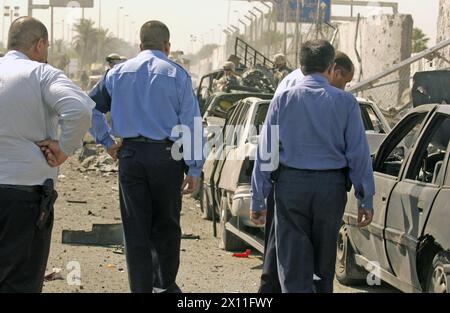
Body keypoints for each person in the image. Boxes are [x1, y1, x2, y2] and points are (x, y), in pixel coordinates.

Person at [251, 40, 374, 293]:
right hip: (331, 189)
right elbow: (359, 154)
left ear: (301, 66)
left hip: (291, 189)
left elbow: (266, 152)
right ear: (331, 67)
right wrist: (365, 198)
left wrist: (258, 197)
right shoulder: (346, 103)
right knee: (323, 266)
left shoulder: (283, 99)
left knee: (293, 266)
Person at [89, 20, 204, 293]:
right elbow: (191, 124)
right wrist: (194, 168)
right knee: (167, 225)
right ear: (167, 46)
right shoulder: (177, 75)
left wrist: (106, 141)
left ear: (140, 46)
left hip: (130, 156)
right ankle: (163, 286)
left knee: (135, 229)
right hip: (167, 157)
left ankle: (140, 289)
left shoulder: (116, 73)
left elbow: (90, 106)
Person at [0, 17, 94, 293]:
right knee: (19, 282)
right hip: (23, 197)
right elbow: (79, 110)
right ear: (39, 44)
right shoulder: (42, 74)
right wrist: (63, 148)